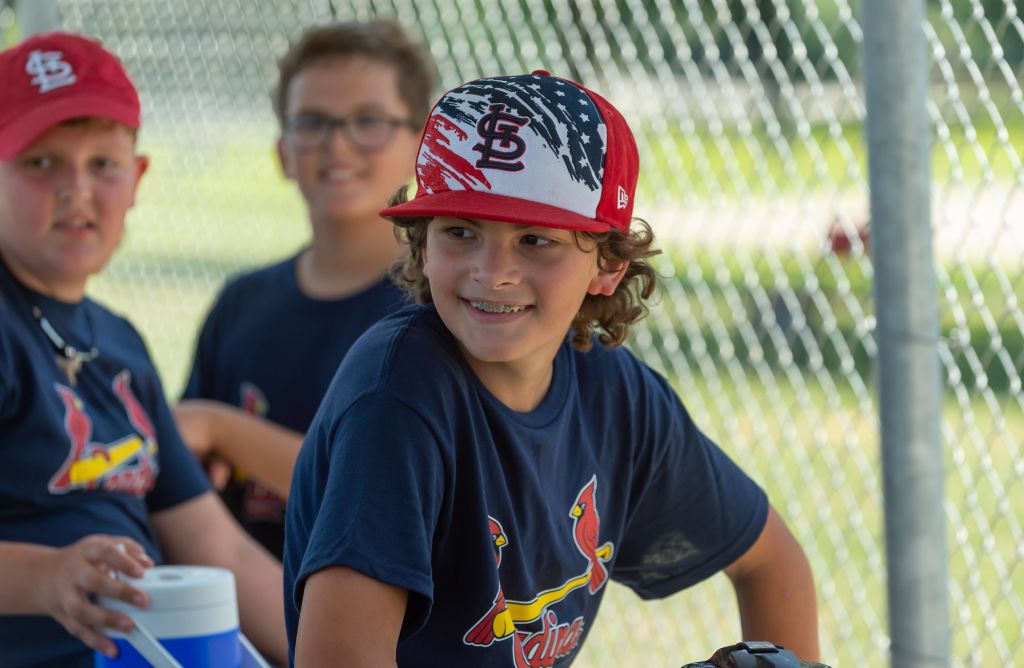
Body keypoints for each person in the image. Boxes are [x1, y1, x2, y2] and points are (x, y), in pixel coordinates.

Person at [283, 71, 820, 666]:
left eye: (536, 240)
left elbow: (772, 562)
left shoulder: (616, 397)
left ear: (608, 266)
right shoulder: (399, 398)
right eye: (461, 231)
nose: (493, 271)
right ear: (422, 245)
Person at [0, 31, 287, 666]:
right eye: (40, 162)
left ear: (137, 178)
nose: (77, 189)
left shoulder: (119, 343)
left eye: (102, 164)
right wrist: (47, 578)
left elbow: (221, 549)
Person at [175, 19, 435, 560]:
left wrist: (223, 430)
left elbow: (387, 495)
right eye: (312, 122)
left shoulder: (440, 309)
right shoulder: (242, 303)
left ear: (422, 145)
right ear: (282, 152)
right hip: (239, 612)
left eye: (368, 121)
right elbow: (188, 467)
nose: (337, 144)